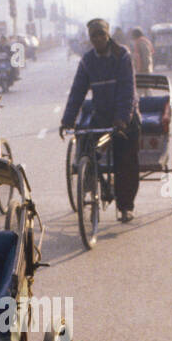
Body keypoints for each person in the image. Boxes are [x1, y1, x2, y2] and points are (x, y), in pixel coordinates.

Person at [59, 17, 140, 222]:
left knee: (125, 162)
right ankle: (92, 183)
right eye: (93, 36)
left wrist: (122, 118)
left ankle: (125, 207)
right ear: (90, 38)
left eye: (101, 34)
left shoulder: (122, 56)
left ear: (108, 35)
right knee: (86, 149)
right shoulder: (87, 61)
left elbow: (127, 90)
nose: (98, 39)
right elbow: (77, 92)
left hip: (125, 118)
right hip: (101, 116)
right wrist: (68, 119)